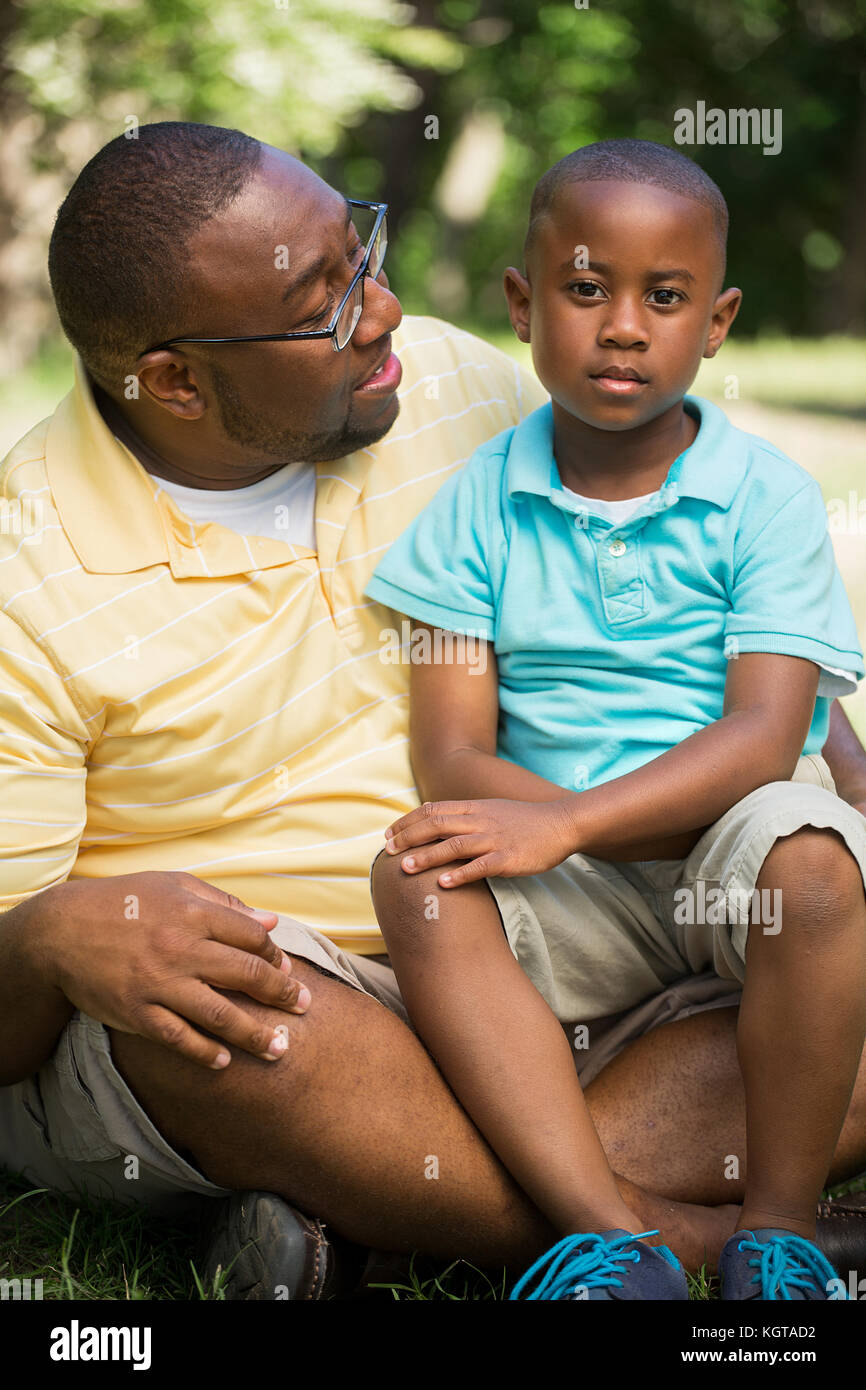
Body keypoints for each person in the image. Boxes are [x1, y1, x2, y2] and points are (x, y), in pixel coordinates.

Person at [0, 122, 865, 1301]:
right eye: (322, 303)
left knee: (828, 937)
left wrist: (834, 798)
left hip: (563, 928)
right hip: (310, 1003)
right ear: (175, 379)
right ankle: (685, 1233)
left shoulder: (454, 389)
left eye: (358, 248)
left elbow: (726, 627)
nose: (383, 310)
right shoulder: (23, 574)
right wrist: (51, 942)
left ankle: (382, 1207)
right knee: (208, 1022)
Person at [366, 139, 866, 1300]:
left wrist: (578, 820)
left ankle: (778, 1236)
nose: (624, 327)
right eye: (586, 290)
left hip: (738, 841)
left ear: (719, 320)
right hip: (572, 881)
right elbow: (451, 754)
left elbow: (762, 737)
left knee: (807, 854)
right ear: (522, 301)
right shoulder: (470, 513)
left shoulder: (769, 503)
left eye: (666, 297)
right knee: (415, 872)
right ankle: (610, 1237)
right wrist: (565, 836)